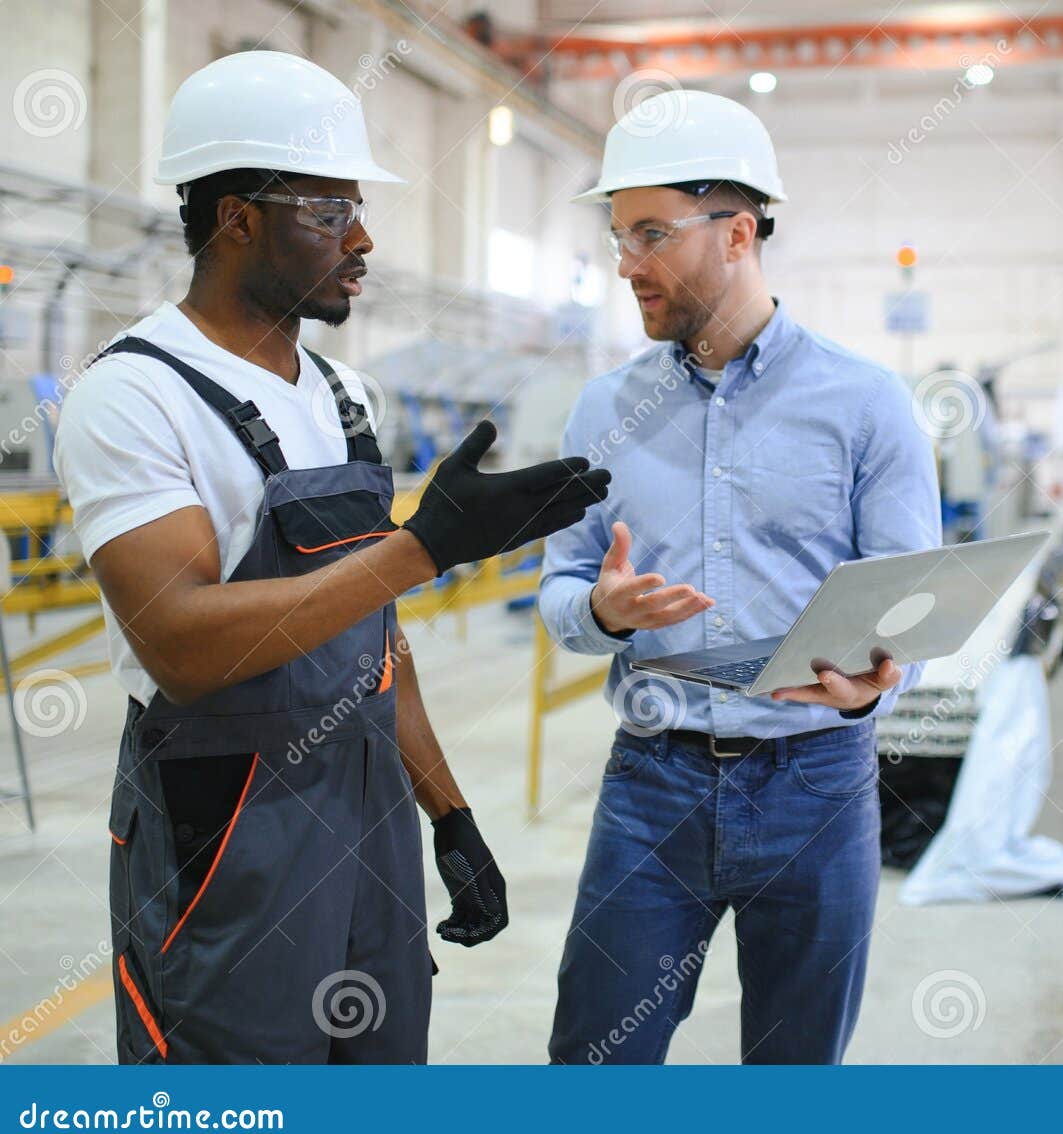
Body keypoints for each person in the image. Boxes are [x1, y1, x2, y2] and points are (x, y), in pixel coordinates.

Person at [52, 51, 610, 1064]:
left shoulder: (346, 397)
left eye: (356, 210)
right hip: (224, 823)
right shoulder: (136, 395)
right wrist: (423, 547)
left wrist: (449, 813)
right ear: (238, 219)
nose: (361, 241)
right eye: (326, 213)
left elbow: (371, 642)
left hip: (369, 813)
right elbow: (178, 642)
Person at [539, 89, 940, 1064]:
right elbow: (558, 591)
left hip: (817, 786)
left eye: (649, 233)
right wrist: (600, 607)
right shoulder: (603, 410)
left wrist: (873, 684)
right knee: (594, 1064)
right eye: (616, 236)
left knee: (793, 1077)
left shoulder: (864, 405)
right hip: (652, 784)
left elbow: (914, 614)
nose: (625, 263)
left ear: (739, 231)